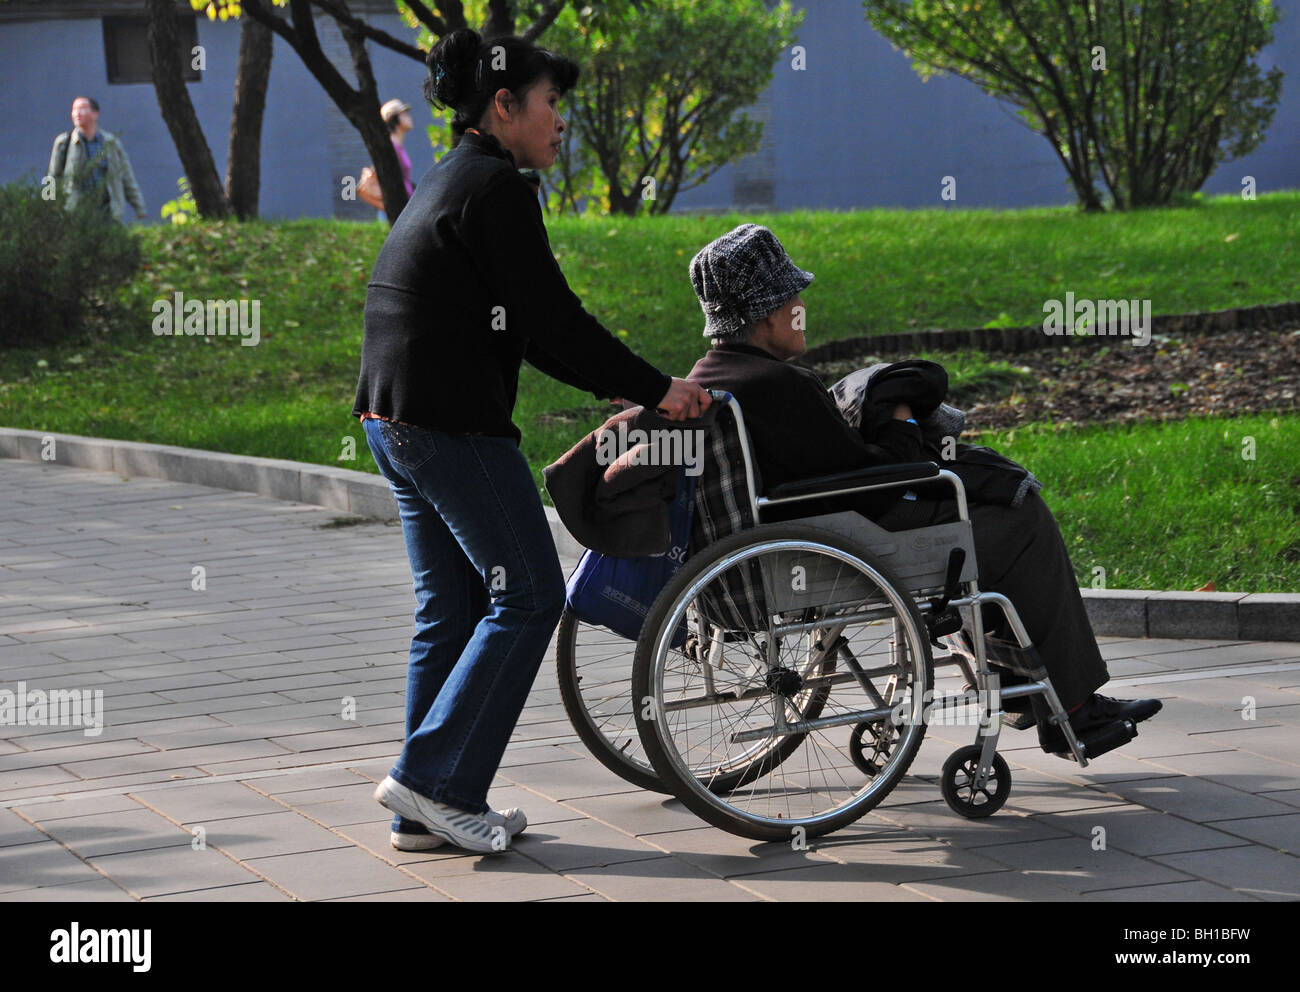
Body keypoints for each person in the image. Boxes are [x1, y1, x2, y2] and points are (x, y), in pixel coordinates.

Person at [352, 27, 711, 854]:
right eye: (550, 104)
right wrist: (662, 388)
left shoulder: (456, 180)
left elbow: (525, 325)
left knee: (455, 609)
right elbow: (553, 316)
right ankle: (433, 780)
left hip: (391, 418)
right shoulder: (497, 190)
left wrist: (618, 383)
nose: (560, 122)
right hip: (447, 425)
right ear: (505, 105)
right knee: (531, 595)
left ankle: (425, 807)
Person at [683, 224, 1161, 757]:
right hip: (847, 539)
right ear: (768, 313)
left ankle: (1034, 695)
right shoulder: (778, 385)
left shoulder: (710, 379)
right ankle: (1070, 707)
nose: (802, 308)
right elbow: (878, 483)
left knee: (986, 510)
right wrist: (902, 420)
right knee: (1021, 518)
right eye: (794, 298)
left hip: (789, 539)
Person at [48, 96, 146, 224]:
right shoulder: (64, 142)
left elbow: (126, 176)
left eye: (82, 109)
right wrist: (47, 207)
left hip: (108, 212)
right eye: (74, 109)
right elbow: (51, 176)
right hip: (76, 213)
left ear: (95, 114)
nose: (76, 113)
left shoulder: (111, 143)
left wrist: (139, 207)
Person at [375, 98, 416, 223]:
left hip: (403, 207)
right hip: (394, 210)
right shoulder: (392, 148)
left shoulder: (398, 147)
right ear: (394, 119)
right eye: (403, 113)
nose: (408, 117)